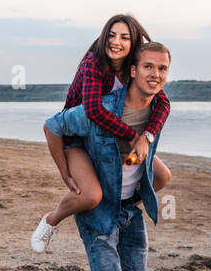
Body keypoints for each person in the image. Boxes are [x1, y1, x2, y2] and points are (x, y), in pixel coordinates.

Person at [43, 42, 172, 271]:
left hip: (128, 208)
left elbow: (151, 159)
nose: (155, 75)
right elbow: (53, 125)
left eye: (162, 69)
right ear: (132, 69)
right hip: (99, 210)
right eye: (148, 67)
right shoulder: (98, 108)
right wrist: (67, 175)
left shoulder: (159, 108)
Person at [30, 14, 172, 253]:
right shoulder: (93, 63)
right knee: (91, 195)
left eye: (124, 37)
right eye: (111, 35)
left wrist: (147, 135)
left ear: (133, 43)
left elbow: (163, 103)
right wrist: (64, 171)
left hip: (108, 137)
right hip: (79, 136)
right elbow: (94, 110)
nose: (116, 42)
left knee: (162, 177)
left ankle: (121, 209)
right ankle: (51, 220)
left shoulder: (133, 67)